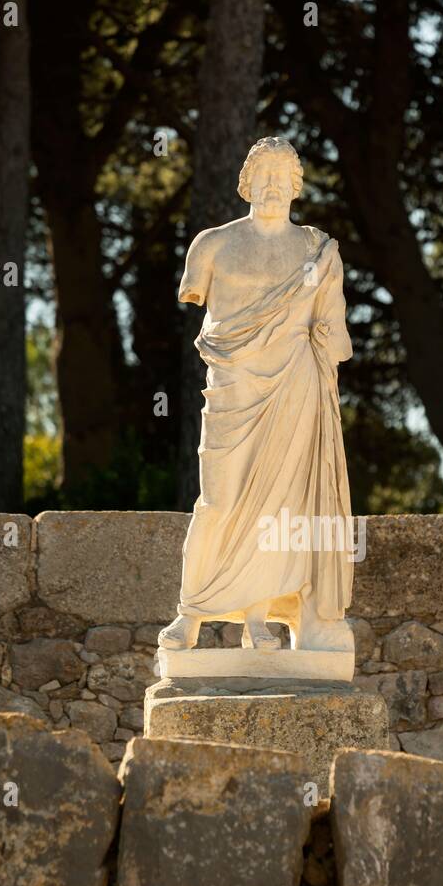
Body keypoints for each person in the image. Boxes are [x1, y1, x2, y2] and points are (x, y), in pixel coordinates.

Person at [159, 136, 355, 654]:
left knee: (278, 512)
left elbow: (335, 334)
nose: (272, 186)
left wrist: (322, 339)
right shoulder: (213, 245)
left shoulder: (318, 250)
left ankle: (257, 619)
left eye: (282, 176)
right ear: (246, 182)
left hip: (294, 390)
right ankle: (190, 613)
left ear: (296, 185)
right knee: (218, 501)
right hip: (233, 391)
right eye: (262, 174)